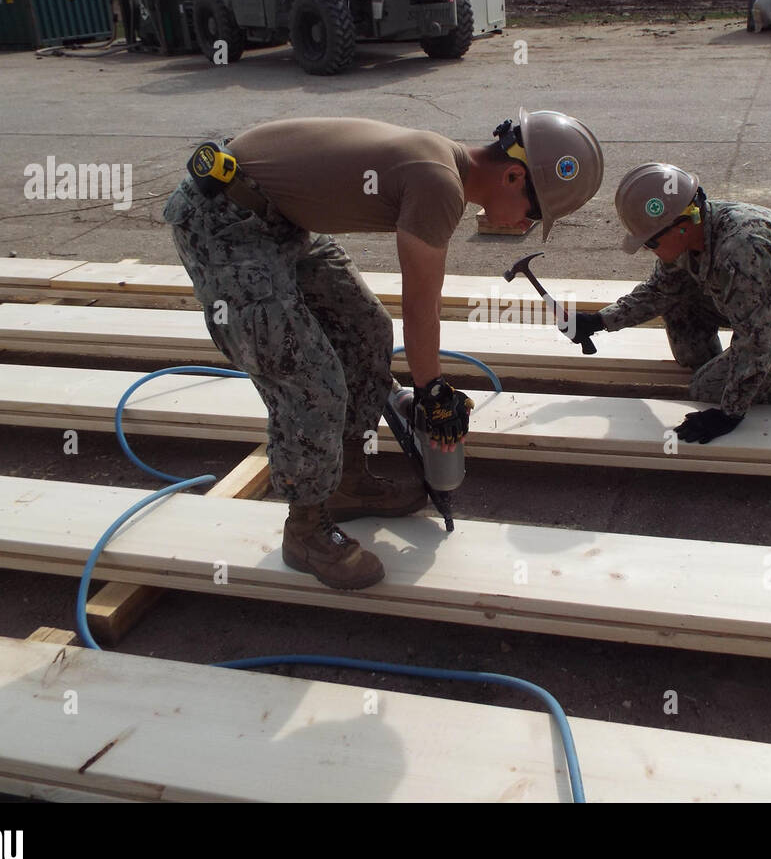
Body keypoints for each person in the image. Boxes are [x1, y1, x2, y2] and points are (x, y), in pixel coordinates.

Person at [163, 110, 604, 588]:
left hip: (280, 216)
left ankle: (347, 482)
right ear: (513, 175)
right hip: (226, 219)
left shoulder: (445, 164)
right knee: (309, 379)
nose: (526, 222)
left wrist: (423, 389)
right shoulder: (440, 183)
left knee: (366, 331)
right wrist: (431, 392)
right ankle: (305, 528)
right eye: (534, 211)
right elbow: (421, 306)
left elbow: (410, 313)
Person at [570, 163, 771, 444]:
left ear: (680, 227)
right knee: (681, 311)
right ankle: (733, 373)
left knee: (705, 389)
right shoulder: (691, 231)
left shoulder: (741, 249)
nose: (647, 248)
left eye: (650, 242)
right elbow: (660, 291)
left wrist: (729, 413)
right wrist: (599, 321)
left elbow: (760, 337)